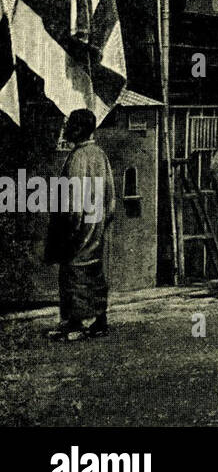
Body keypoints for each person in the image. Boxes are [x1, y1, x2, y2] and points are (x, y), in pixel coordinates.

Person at [43, 109, 116, 342]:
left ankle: (78, 323)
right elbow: (110, 195)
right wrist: (104, 221)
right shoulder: (100, 154)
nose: (65, 130)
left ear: (79, 129)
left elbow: (73, 200)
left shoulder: (78, 157)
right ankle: (95, 321)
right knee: (92, 270)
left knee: (73, 272)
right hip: (96, 224)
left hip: (79, 225)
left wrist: (70, 228)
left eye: (70, 126)